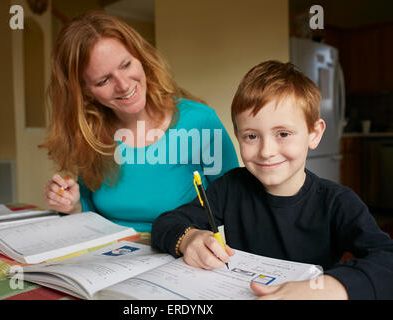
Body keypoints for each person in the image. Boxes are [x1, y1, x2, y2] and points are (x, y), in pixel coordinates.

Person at [151, 60, 393, 299]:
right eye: (251, 136)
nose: (266, 151)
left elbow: (387, 260)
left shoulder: (338, 202)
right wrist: (188, 238)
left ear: (314, 133)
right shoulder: (229, 187)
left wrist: (328, 288)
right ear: (237, 136)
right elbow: (166, 222)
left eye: (283, 134)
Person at [41, 11, 239, 233]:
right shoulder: (92, 136)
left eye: (126, 65)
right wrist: (74, 204)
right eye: (104, 80)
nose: (124, 85)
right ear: (85, 92)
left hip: (183, 254)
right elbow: (90, 208)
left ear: (140, 58)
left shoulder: (200, 121)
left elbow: (235, 204)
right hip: (110, 255)